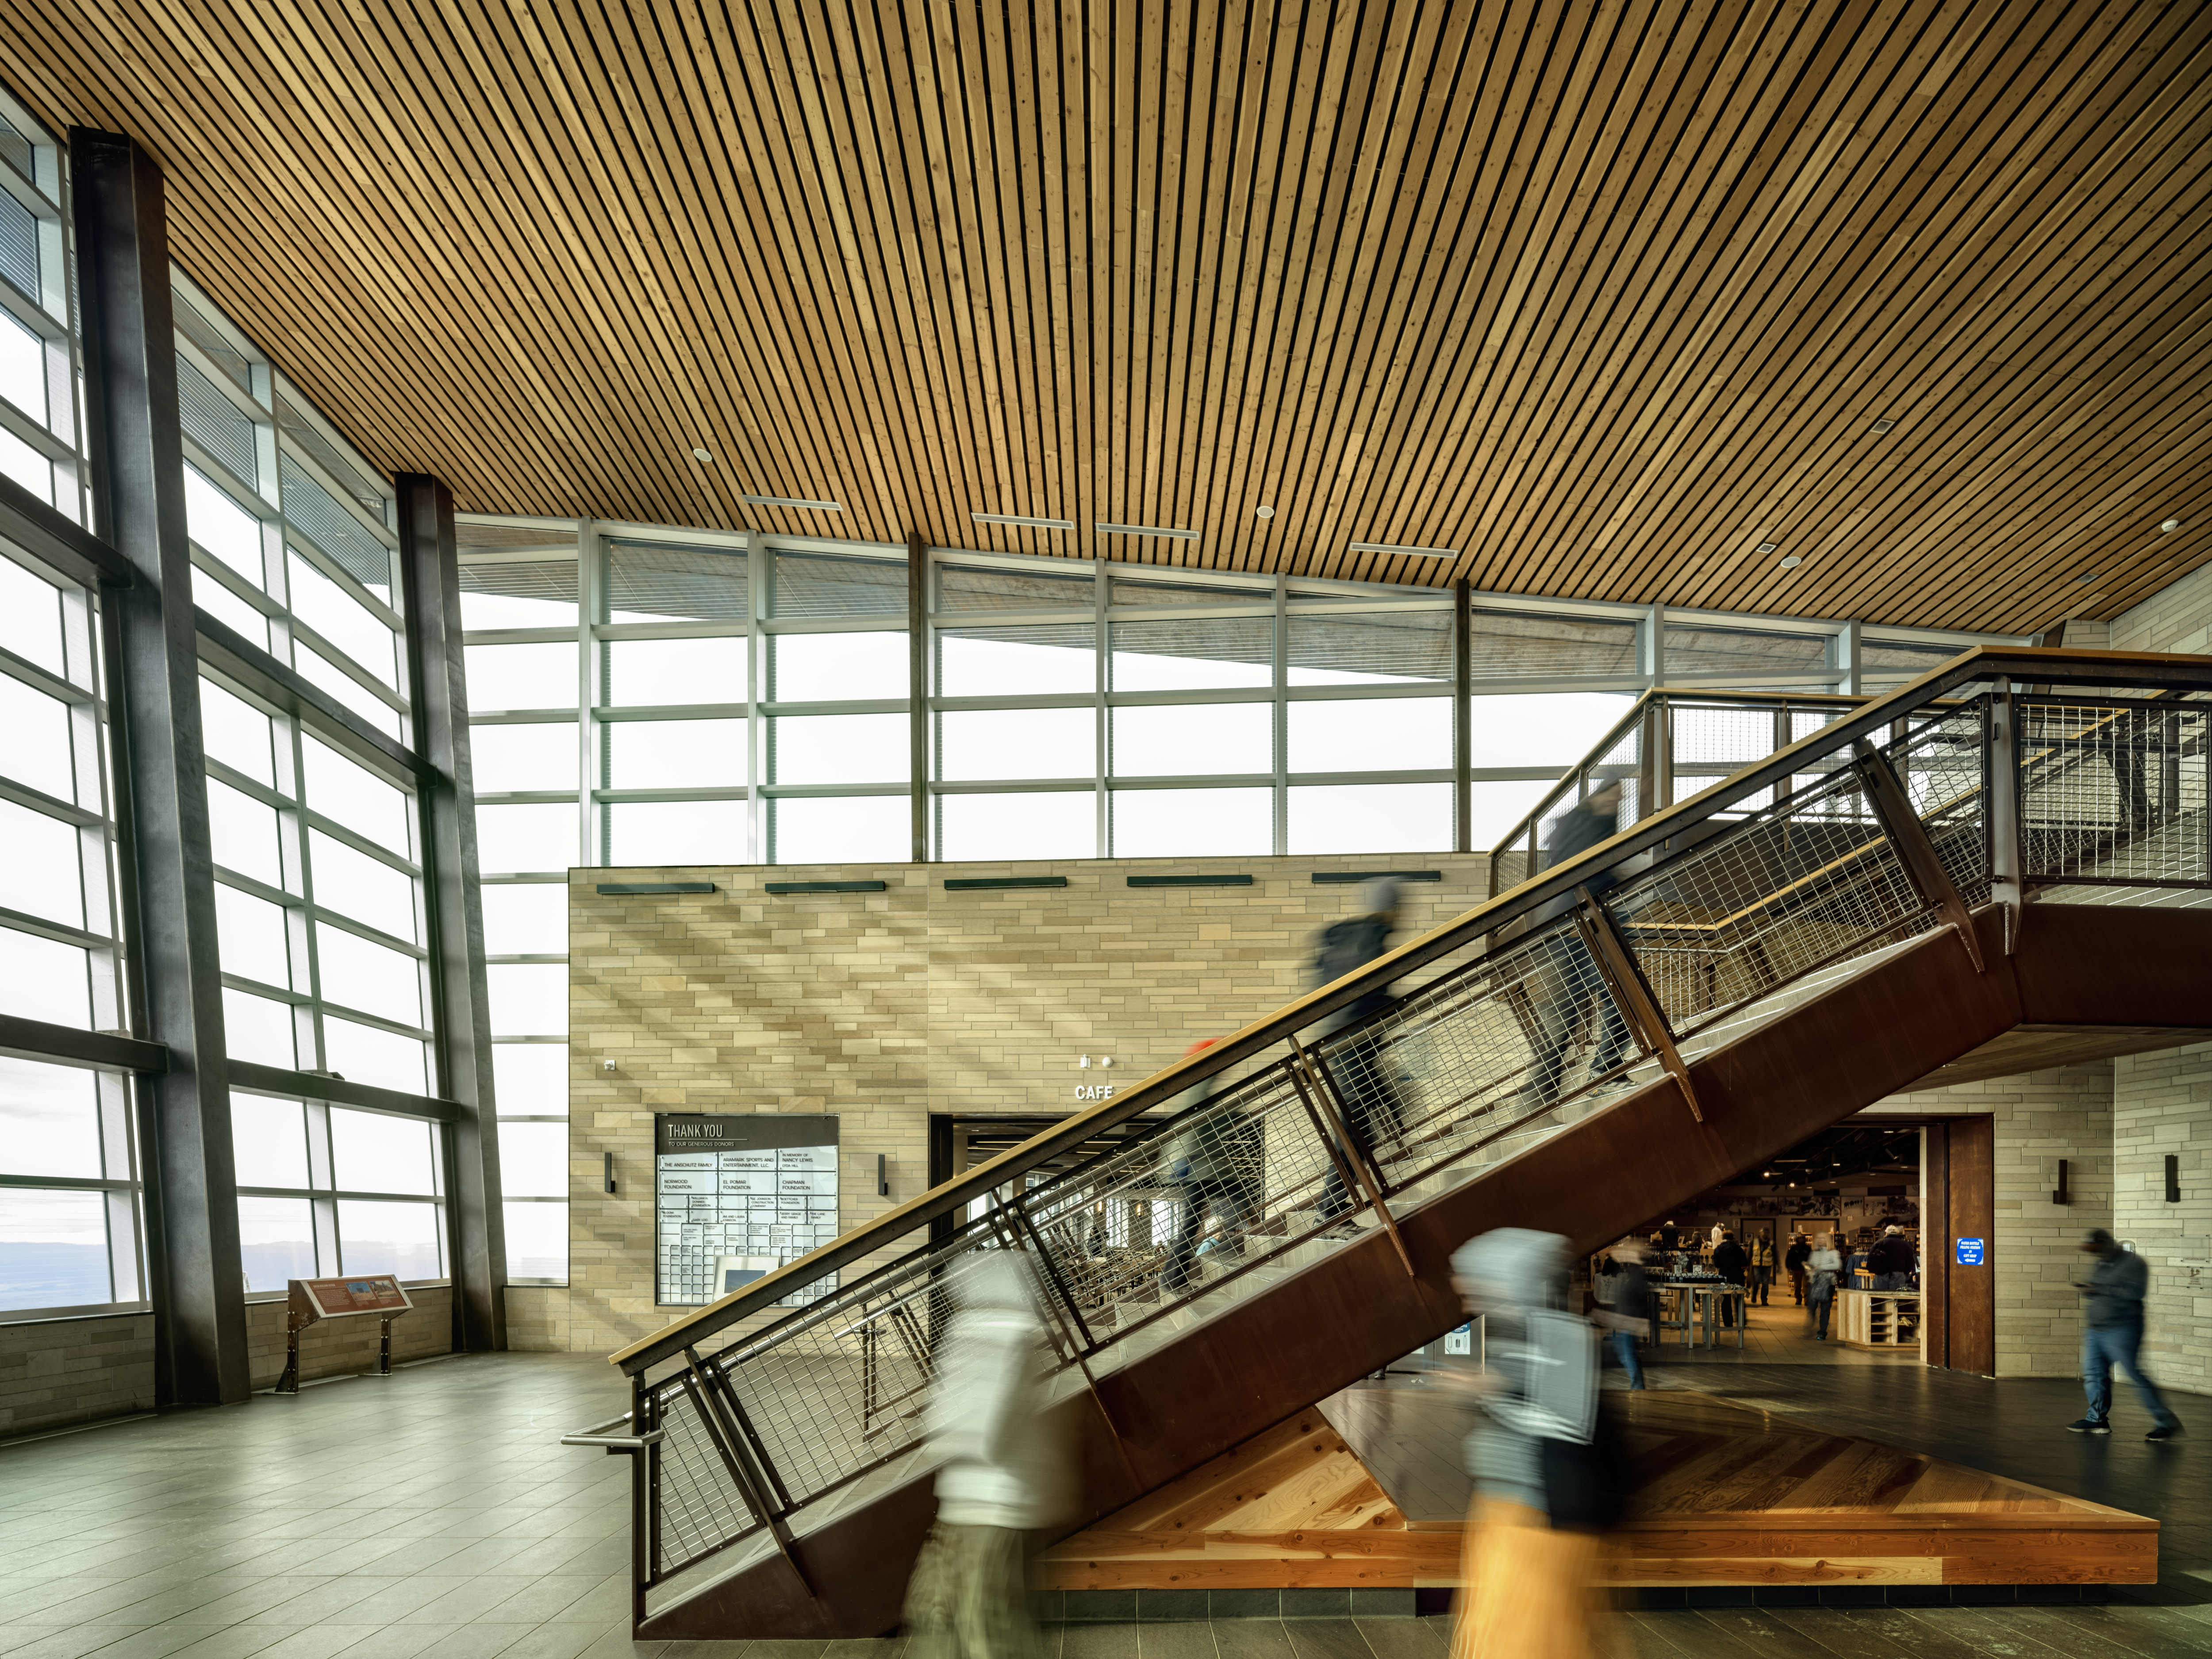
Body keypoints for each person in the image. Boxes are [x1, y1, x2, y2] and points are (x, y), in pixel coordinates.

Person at [1447, 1229, 1620, 1659]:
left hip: (1542, 1511)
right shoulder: (1483, 1332)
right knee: (1498, 1628)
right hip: (1503, 1506)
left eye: (1475, 1291)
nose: (1468, 1304)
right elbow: (1463, 1391)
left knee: (1531, 1636)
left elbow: (1567, 1424)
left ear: (1508, 1283)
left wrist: (1496, 1389)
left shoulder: (1566, 1334)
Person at [903, 1251, 1070, 1659]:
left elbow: (981, 1431)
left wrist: (944, 1432)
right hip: (976, 1508)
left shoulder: (1002, 1335)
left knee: (986, 1632)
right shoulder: (991, 1331)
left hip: (994, 1513)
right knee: (956, 1622)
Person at [1525, 783, 1632, 1106]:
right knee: (1621, 995)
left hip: (1577, 925)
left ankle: (1540, 1094)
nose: (1619, 800)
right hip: (1582, 926)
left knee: (1573, 1011)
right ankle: (1604, 1071)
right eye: (1615, 793)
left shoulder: (1584, 825)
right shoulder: (1586, 827)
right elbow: (1582, 875)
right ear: (1600, 793)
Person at [1311, 879, 1407, 1225]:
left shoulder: (1340, 937)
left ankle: (1334, 1208)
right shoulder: (1374, 935)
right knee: (1354, 1129)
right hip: (1356, 1038)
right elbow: (1367, 991)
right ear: (1392, 907)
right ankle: (1332, 1212)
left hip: (1339, 1041)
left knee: (1358, 1125)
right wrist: (1398, 1003)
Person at [1160, 1039, 1263, 1295]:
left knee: (1191, 1224)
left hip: (1197, 1167)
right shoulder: (1200, 1084)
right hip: (1200, 1168)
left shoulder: (1195, 1086)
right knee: (1236, 1194)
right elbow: (1207, 1121)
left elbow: (1207, 1117)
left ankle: (1173, 1279)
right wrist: (1238, 1115)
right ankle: (1261, 1231)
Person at [2067, 1229, 2184, 1440]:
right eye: (2091, 1251)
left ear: (2107, 1244)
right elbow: (2100, 1289)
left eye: (2096, 1249)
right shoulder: (2100, 1263)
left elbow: (2136, 1292)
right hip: (2096, 1330)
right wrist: (2090, 1289)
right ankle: (2096, 1420)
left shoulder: (2134, 1263)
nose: (2094, 1254)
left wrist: (2100, 1288)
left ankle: (2166, 1422)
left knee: (2135, 1375)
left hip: (2123, 1329)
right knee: (2094, 1375)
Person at [1594, 1238, 1651, 1390]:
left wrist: (1638, 1322)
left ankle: (1638, 1387)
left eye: (1628, 1252)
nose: (1625, 1255)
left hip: (1628, 1323)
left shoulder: (1638, 1275)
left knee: (1628, 1356)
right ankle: (1639, 1386)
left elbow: (1638, 1302)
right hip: (1626, 1322)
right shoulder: (1635, 1272)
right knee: (1627, 1355)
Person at [1806, 1232, 1842, 1341]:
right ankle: (1810, 1326)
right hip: (1814, 1283)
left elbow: (1838, 1265)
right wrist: (1808, 1268)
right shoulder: (1814, 1253)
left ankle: (1822, 1332)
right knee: (1812, 1306)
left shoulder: (1833, 1253)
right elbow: (1811, 1266)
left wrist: (1821, 1267)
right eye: (1819, 1238)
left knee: (1825, 1308)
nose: (1820, 1240)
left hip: (1828, 1284)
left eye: (1823, 1238)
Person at [1710, 1230, 1747, 1329]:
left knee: (1725, 1300)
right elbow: (1745, 1263)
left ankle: (1728, 1323)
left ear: (1722, 1238)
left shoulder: (1718, 1249)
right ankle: (1741, 1321)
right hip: (1737, 1275)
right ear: (1732, 1238)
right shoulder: (1738, 1248)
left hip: (1724, 1275)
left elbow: (1717, 1264)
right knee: (1739, 1299)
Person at [1867, 1225, 1916, 1291]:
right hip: (1899, 1276)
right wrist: (1905, 1273)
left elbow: (1870, 1259)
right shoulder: (1906, 1245)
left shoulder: (1879, 1243)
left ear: (1887, 1233)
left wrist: (1875, 1271)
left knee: (1879, 1297)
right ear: (1898, 1234)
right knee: (1897, 1298)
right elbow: (1911, 1261)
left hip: (1881, 1275)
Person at [1784, 1233, 1811, 1305]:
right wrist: (1788, 1266)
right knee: (1797, 1285)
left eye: (1802, 1238)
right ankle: (1798, 1299)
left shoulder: (1808, 1249)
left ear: (1804, 1239)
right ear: (1797, 1239)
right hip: (1795, 1269)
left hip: (1806, 1270)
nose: (1801, 1240)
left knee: (1806, 1285)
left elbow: (1812, 1259)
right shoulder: (1793, 1248)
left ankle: (1807, 1300)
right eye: (1799, 1238)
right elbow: (1789, 1257)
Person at [1749, 1232, 1775, 1306]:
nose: (1765, 1235)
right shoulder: (1754, 1242)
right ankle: (1754, 1295)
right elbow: (1749, 1253)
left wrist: (1778, 1266)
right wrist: (1747, 1265)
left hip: (1767, 1266)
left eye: (1767, 1233)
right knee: (1756, 1281)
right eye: (1764, 1233)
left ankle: (1764, 1300)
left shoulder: (1771, 1243)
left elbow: (1776, 1255)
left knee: (1765, 1284)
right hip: (1757, 1266)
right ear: (1760, 1234)